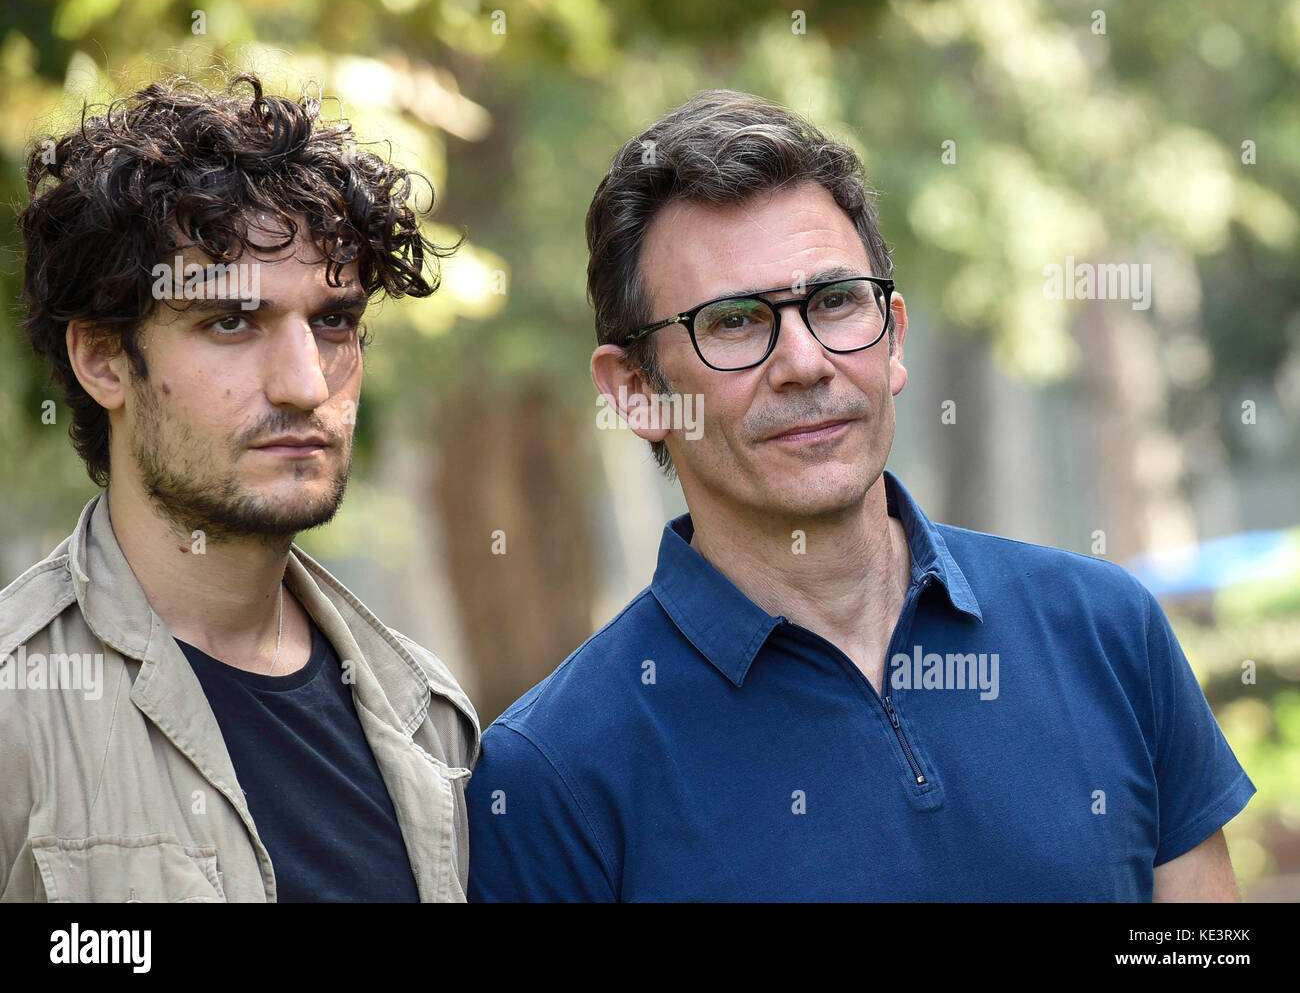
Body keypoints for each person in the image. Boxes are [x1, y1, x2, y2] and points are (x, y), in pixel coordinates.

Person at [466, 89, 1255, 902]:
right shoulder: (552, 775)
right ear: (636, 391)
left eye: (836, 302)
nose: (805, 362)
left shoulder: (1106, 630)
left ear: (895, 335)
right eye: (734, 321)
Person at [0, 73, 478, 902]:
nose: (304, 384)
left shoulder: (429, 718)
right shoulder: (16, 714)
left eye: (333, 322)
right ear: (104, 359)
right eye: (230, 321)